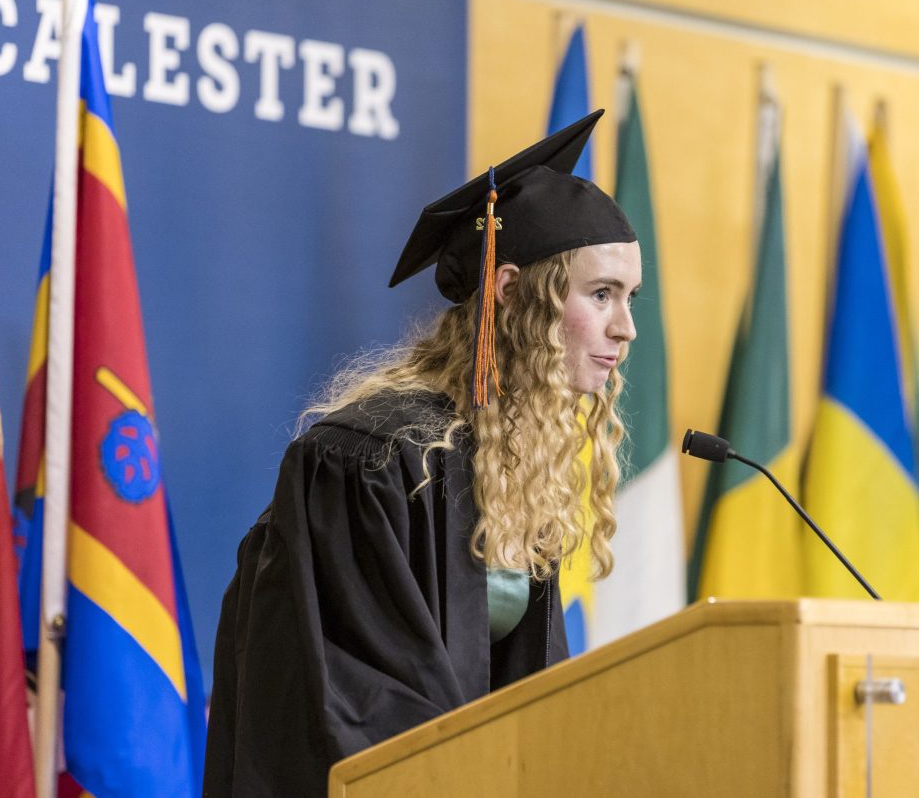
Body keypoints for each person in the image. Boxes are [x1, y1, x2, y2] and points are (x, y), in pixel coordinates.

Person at [203, 110, 641, 797]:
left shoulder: (516, 459)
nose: (626, 327)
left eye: (630, 297)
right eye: (602, 294)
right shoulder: (373, 459)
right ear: (511, 291)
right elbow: (363, 702)